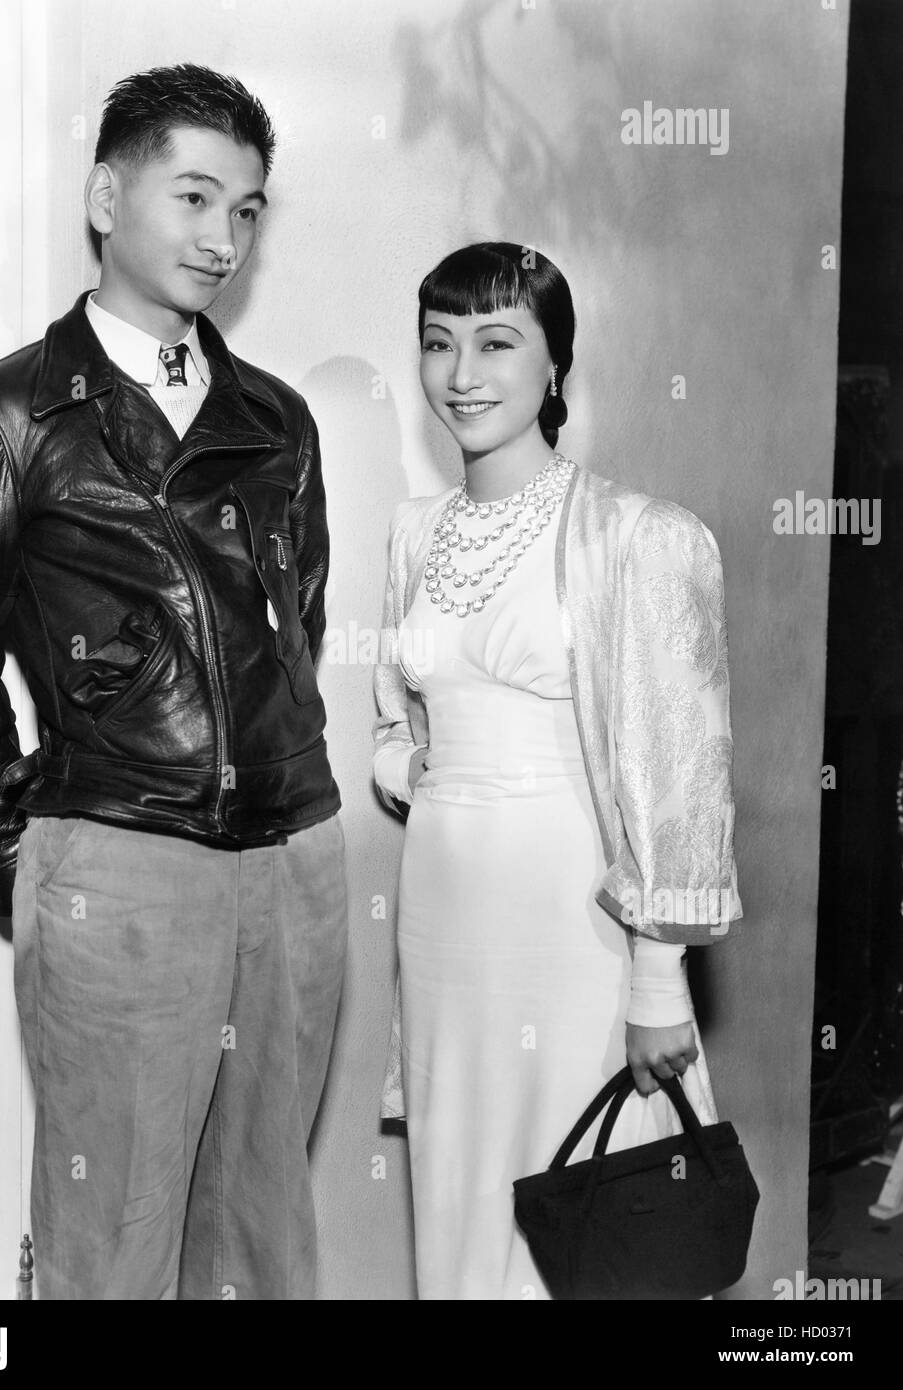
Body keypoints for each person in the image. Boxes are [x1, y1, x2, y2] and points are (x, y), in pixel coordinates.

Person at [0, 64, 348, 1301]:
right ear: (104, 196)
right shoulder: (0, 416)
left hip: (295, 859)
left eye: (247, 210)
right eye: (194, 196)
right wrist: (24, 861)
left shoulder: (279, 418)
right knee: (111, 1250)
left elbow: (294, 626)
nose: (223, 237)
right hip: (121, 868)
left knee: (261, 1241)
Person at [373, 242, 742, 1300]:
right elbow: (391, 720)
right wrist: (416, 766)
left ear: (555, 368)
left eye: (496, 342)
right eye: (439, 344)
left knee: (588, 1199)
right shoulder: (414, 534)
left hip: (574, 913)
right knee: (465, 1183)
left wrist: (658, 974)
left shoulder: (635, 536)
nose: (461, 374)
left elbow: (681, 772)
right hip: (444, 913)